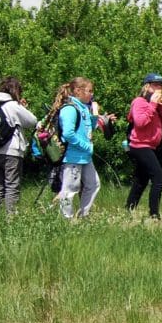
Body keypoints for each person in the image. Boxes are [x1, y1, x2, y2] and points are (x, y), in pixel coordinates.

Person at [54, 77, 113, 219]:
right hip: (73, 156)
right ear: (78, 91)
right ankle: (65, 219)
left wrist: (94, 116)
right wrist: (86, 146)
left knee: (93, 184)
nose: (92, 94)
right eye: (89, 91)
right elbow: (68, 133)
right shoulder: (70, 108)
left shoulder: (84, 108)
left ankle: (84, 215)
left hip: (85, 156)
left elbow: (89, 129)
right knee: (70, 188)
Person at [0, 77, 39, 215]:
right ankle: (11, 217)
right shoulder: (12, 105)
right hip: (12, 151)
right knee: (12, 185)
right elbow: (32, 121)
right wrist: (23, 108)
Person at [126, 73, 162, 219]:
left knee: (141, 179)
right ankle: (154, 214)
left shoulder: (157, 106)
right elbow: (140, 123)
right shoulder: (139, 102)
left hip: (150, 146)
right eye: (156, 85)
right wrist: (152, 105)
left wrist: (161, 108)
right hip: (139, 145)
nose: (159, 88)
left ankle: (129, 208)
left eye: (161, 85)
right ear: (147, 86)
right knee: (159, 178)